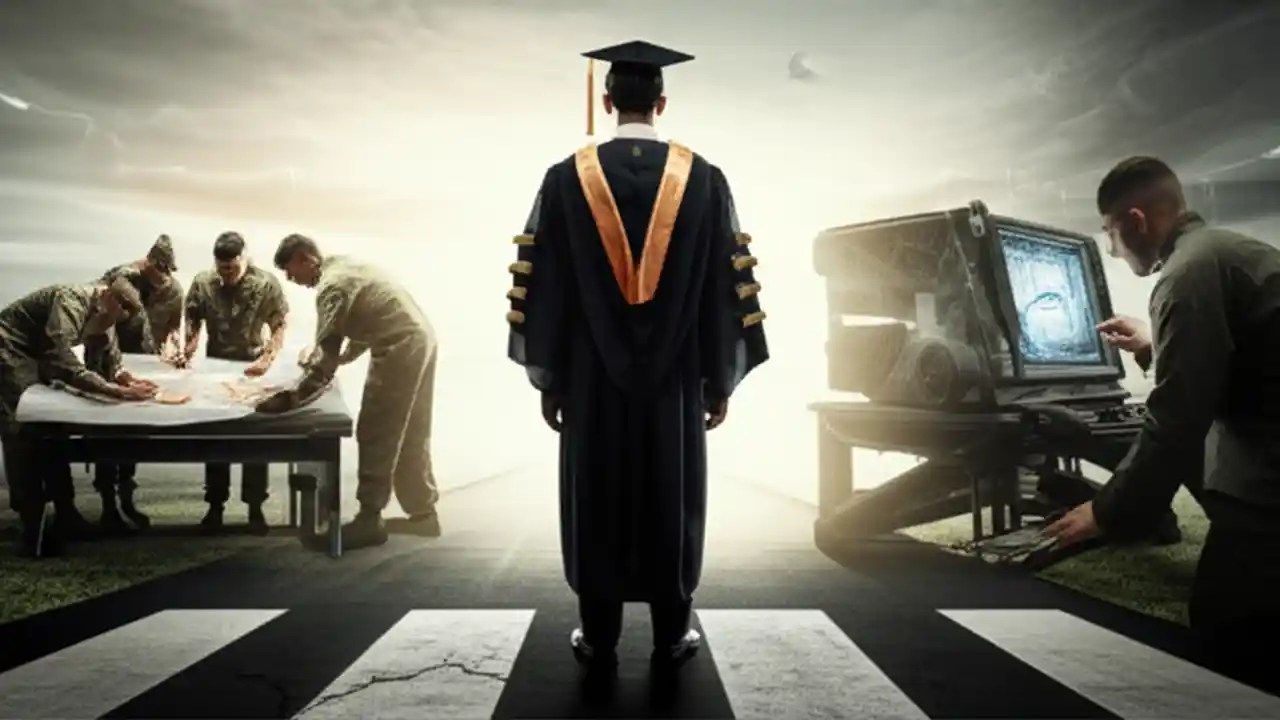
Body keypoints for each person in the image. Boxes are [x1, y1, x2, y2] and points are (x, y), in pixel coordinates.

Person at [507, 40, 768, 668]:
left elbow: (542, 286)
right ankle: (671, 633)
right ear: (661, 101)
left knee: (595, 492)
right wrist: (719, 380)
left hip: (591, 380)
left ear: (606, 101)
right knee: (668, 492)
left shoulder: (566, 178)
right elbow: (722, 288)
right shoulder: (703, 179)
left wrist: (551, 378)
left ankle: (598, 636)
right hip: (675, 380)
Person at [1046, 156, 1280, 692]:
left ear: (1134, 220)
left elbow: (1178, 419)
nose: (1111, 248)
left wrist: (1107, 512)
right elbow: (1238, 370)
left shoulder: (1185, 275)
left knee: (1224, 629)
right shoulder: (1216, 253)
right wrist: (1155, 346)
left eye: (1109, 233)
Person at [255, 234, 441, 548]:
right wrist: (339, 358)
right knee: (411, 429)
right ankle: (424, 515)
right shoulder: (347, 266)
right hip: (420, 337)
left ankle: (369, 518)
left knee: (377, 428)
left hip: (399, 346)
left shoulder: (331, 286)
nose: (290, 279)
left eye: (290, 271)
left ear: (305, 258)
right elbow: (368, 319)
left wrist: (291, 398)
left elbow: (326, 352)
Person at [1, 278, 158, 556]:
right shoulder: (70, 300)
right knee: (23, 425)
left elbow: (108, 353)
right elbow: (60, 357)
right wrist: (113, 391)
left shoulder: (106, 309)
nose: (113, 323)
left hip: (37, 351)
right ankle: (30, 519)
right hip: (10, 345)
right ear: (108, 298)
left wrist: (124, 378)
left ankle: (66, 512)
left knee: (53, 425)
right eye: (113, 316)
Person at [179, 231, 289, 535]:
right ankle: (215, 507)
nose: (226, 275)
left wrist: (269, 356)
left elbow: (279, 322)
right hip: (214, 367)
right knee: (217, 439)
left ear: (244, 258)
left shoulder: (265, 283)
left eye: (232, 268)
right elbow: (192, 316)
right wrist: (188, 347)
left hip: (251, 367)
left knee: (255, 440)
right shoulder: (203, 282)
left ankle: (255, 508)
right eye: (221, 268)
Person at [88, 234, 183, 534]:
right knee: (107, 433)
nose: (163, 276)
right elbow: (107, 317)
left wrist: (173, 348)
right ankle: (108, 506)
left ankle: (126, 500)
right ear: (148, 263)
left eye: (168, 270)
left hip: (144, 366)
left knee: (133, 436)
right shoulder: (122, 277)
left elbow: (172, 328)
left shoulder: (173, 291)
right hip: (107, 357)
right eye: (158, 268)